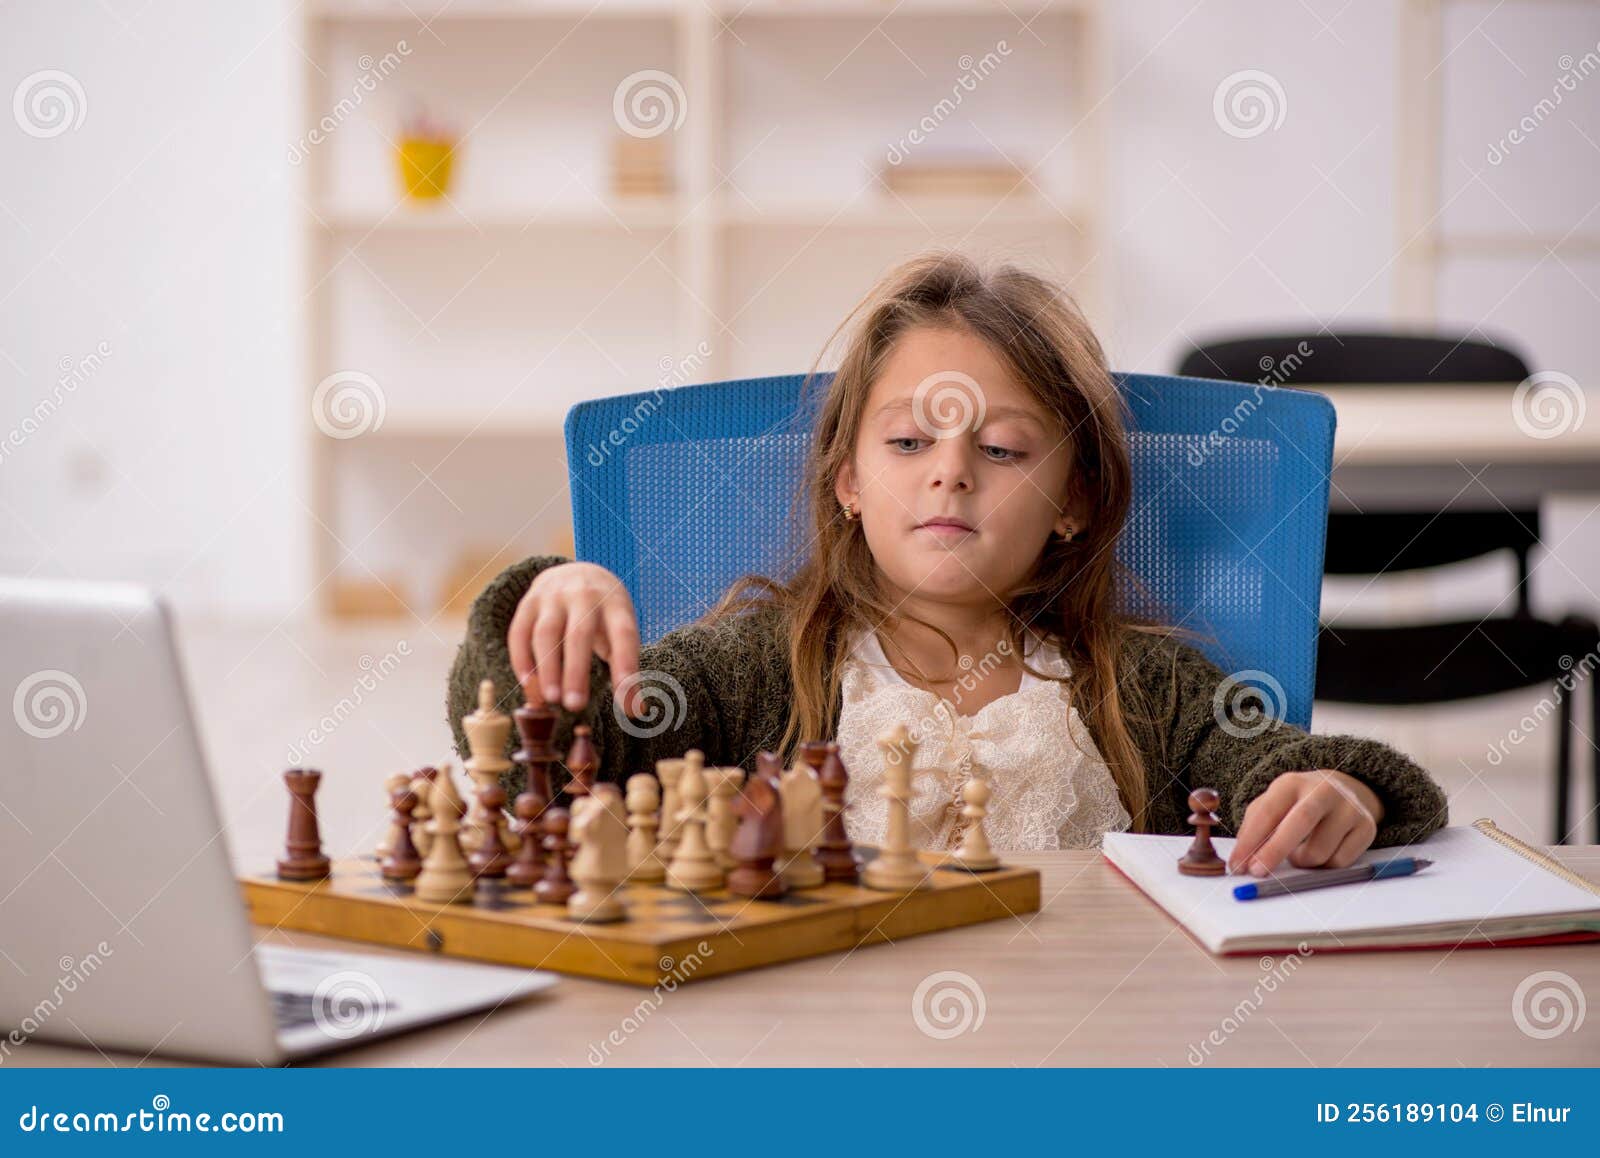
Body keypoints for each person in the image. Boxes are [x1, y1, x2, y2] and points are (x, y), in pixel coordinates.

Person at [448, 252, 1446, 876]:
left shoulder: (1145, 685)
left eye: (1003, 450)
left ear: (1076, 502)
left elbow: (1292, 772)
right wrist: (548, 603)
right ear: (845, 481)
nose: (952, 477)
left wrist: (1342, 793)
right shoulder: (754, 666)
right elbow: (563, 765)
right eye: (908, 445)